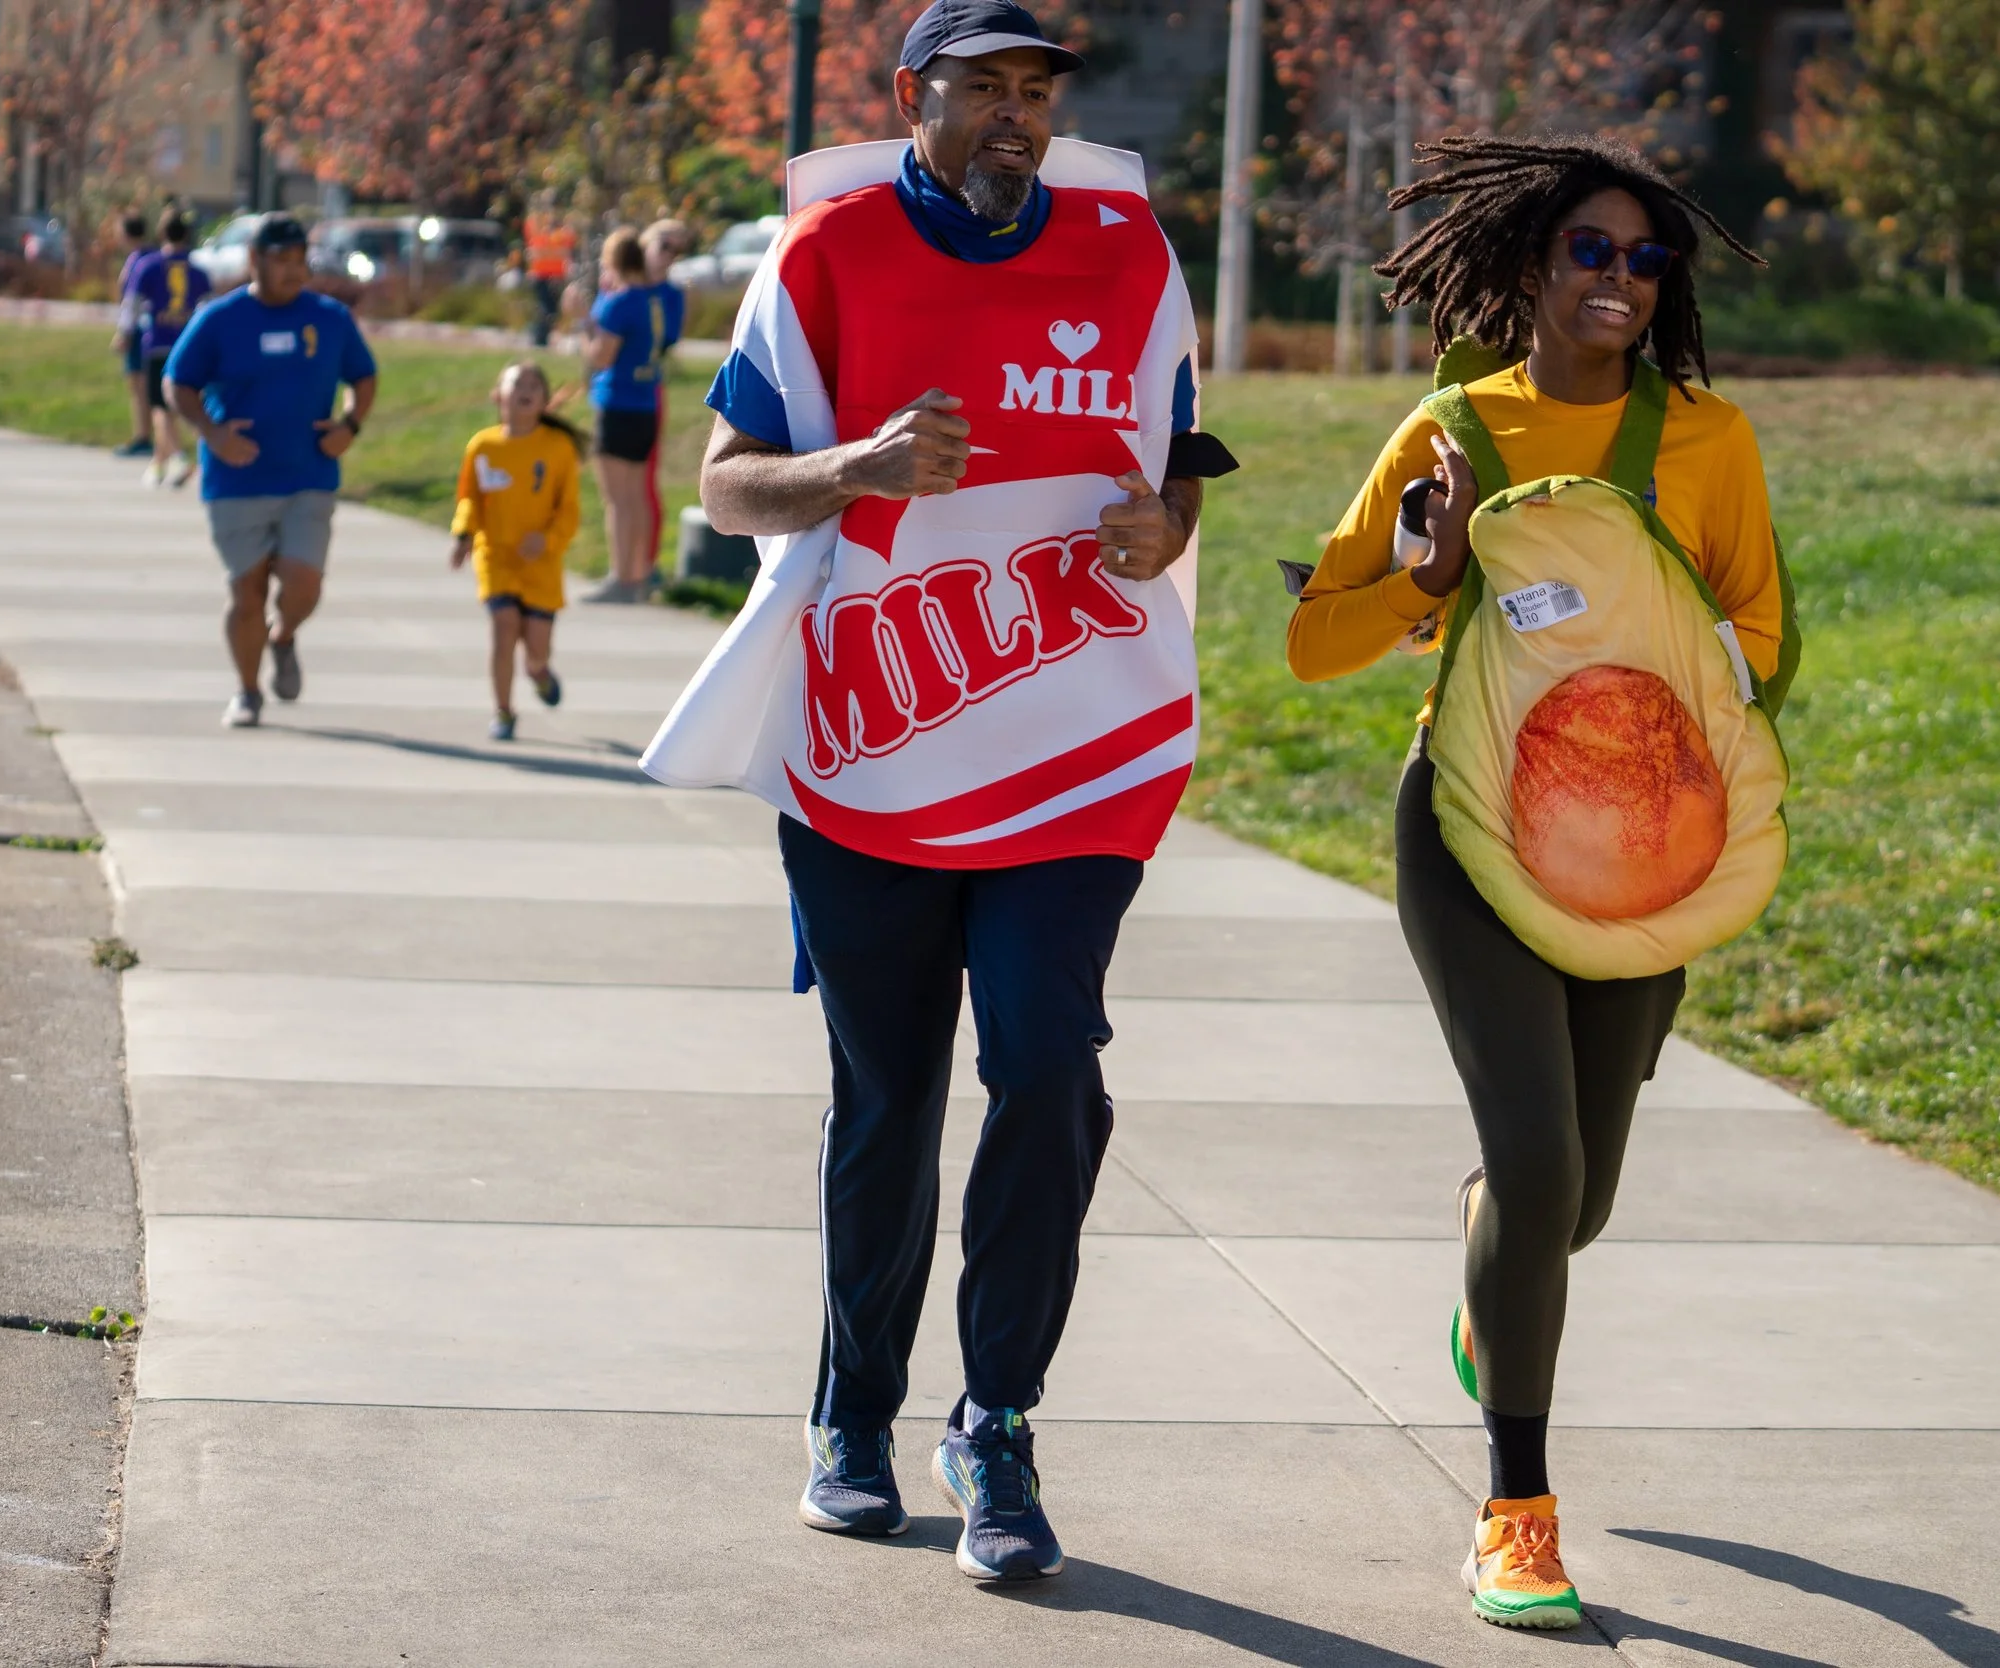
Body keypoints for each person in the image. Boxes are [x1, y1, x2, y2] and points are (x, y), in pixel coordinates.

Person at [639, 0, 1234, 1584]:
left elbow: (1181, 453)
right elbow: (722, 483)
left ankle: (998, 1423)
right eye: (984, 91)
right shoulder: (827, 255)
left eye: (1036, 93)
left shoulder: (1126, 251)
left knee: (1047, 1067)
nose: (1015, 121)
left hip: (1080, 748)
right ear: (915, 98)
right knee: (889, 1097)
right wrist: (856, 473)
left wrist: (1164, 531)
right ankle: (853, 1410)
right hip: (877, 758)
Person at [1287, 135, 1791, 1631]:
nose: (1623, 280)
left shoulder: (1714, 442)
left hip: (1649, 860)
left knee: (1578, 1200)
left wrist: (1676, 672)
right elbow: (1316, 639)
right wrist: (1429, 579)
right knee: (1540, 1163)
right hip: (1471, 846)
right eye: (1591, 252)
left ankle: (1488, 1282)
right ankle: (1518, 1512)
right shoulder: (1452, 431)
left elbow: (1769, 637)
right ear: (1526, 269)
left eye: (1647, 259)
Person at [164, 214, 378, 729]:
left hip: (309, 474)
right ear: (254, 261)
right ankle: (247, 691)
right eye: (281, 261)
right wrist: (212, 434)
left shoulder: (329, 318)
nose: (292, 271)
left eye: (299, 261)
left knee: (303, 585)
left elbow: (364, 376)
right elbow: (178, 383)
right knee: (248, 592)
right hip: (236, 478)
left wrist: (350, 424)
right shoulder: (220, 319)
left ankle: (283, 638)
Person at [450, 363, 581, 741]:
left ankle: (539, 673)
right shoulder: (482, 445)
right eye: (516, 383)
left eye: (534, 385)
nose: (525, 389)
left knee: (536, 651)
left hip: (541, 564)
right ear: (498, 395)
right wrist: (462, 534)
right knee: (503, 628)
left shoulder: (558, 448)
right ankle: (503, 711)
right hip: (495, 556)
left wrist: (548, 539)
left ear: (544, 400)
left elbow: (569, 510)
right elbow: (469, 500)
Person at [580, 229, 677, 602]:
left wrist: (583, 323)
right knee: (636, 495)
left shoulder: (618, 303)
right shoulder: (653, 300)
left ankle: (620, 577)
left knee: (617, 499)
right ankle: (637, 574)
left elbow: (601, 355)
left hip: (618, 402)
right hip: (645, 404)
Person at [132, 208, 210, 488]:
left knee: (161, 408)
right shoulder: (199, 271)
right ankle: (158, 463)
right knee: (182, 404)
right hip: (188, 344)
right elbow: (207, 309)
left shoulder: (149, 266)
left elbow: (134, 304)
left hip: (159, 343)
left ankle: (178, 457)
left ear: (162, 233)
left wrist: (125, 332)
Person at [636, 219, 692, 592]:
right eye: (663, 245)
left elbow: (664, 340)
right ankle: (624, 565)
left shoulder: (669, 295)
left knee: (643, 483)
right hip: (611, 394)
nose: (667, 256)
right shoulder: (616, 283)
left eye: (676, 250)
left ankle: (647, 564)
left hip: (646, 394)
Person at [109, 211, 154, 457]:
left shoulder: (138, 261)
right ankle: (147, 434)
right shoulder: (152, 256)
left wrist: (123, 332)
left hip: (139, 329)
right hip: (151, 327)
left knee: (138, 385)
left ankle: (143, 435)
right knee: (145, 385)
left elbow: (132, 301)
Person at [522, 196, 576, 349]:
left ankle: (541, 338)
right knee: (545, 308)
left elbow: (568, 250)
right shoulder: (536, 224)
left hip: (557, 275)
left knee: (552, 310)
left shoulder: (564, 229)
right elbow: (534, 248)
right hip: (540, 274)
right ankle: (539, 339)